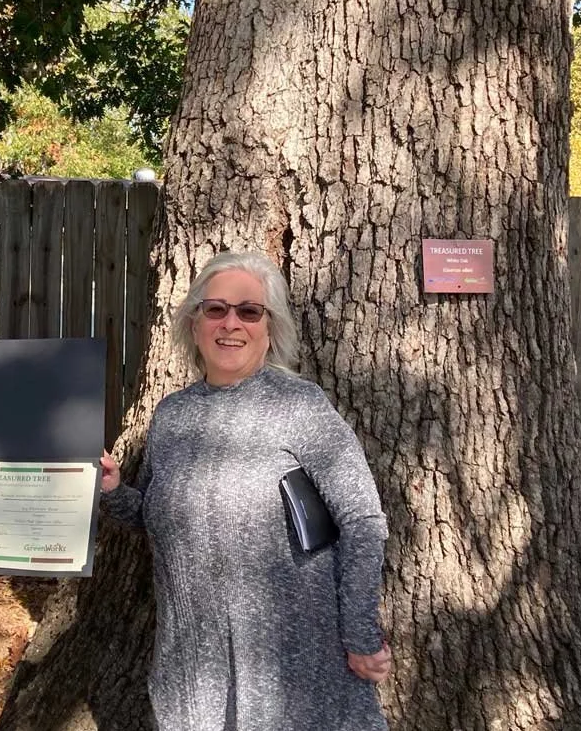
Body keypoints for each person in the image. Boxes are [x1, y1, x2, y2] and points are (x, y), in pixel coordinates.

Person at [100, 251, 391, 731]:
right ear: (194, 325)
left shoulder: (299, 405)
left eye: (248, 311)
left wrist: (360, 634)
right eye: (215, 309)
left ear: (269, 328)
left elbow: (362, 520)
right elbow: (153, 515)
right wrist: (113, 491)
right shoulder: (173, 414)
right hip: (195, 660)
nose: (230, 322)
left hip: (293, 663)